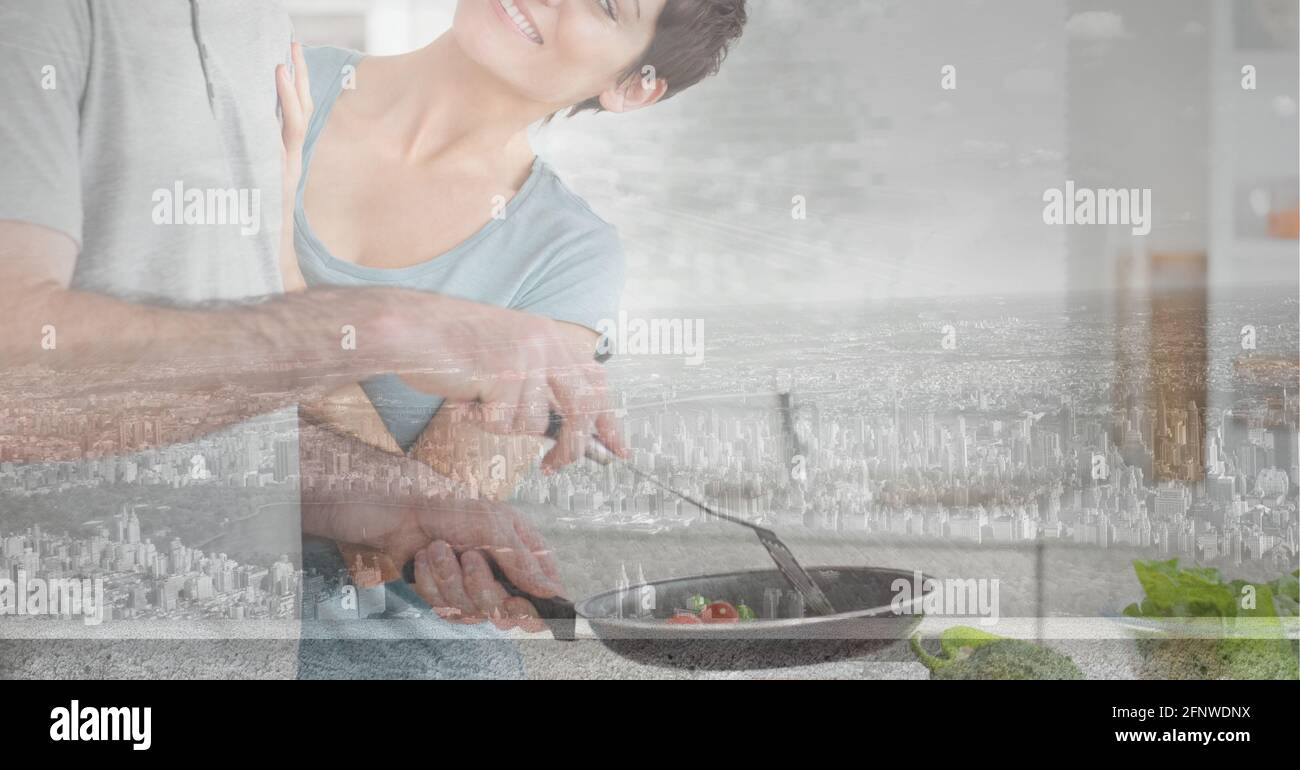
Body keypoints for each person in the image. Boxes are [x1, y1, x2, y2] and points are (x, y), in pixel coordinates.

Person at [0, 0, 620, 677]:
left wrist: (386, 501)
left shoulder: (260, 28)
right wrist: (374, 327)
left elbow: (194, 397)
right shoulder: (42, 18)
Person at [279, 0, 748, 622]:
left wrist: (274, 251)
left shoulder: (569, 254)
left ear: (634, 86)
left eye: (606, 4)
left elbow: (401, 552)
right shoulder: (273, 84)